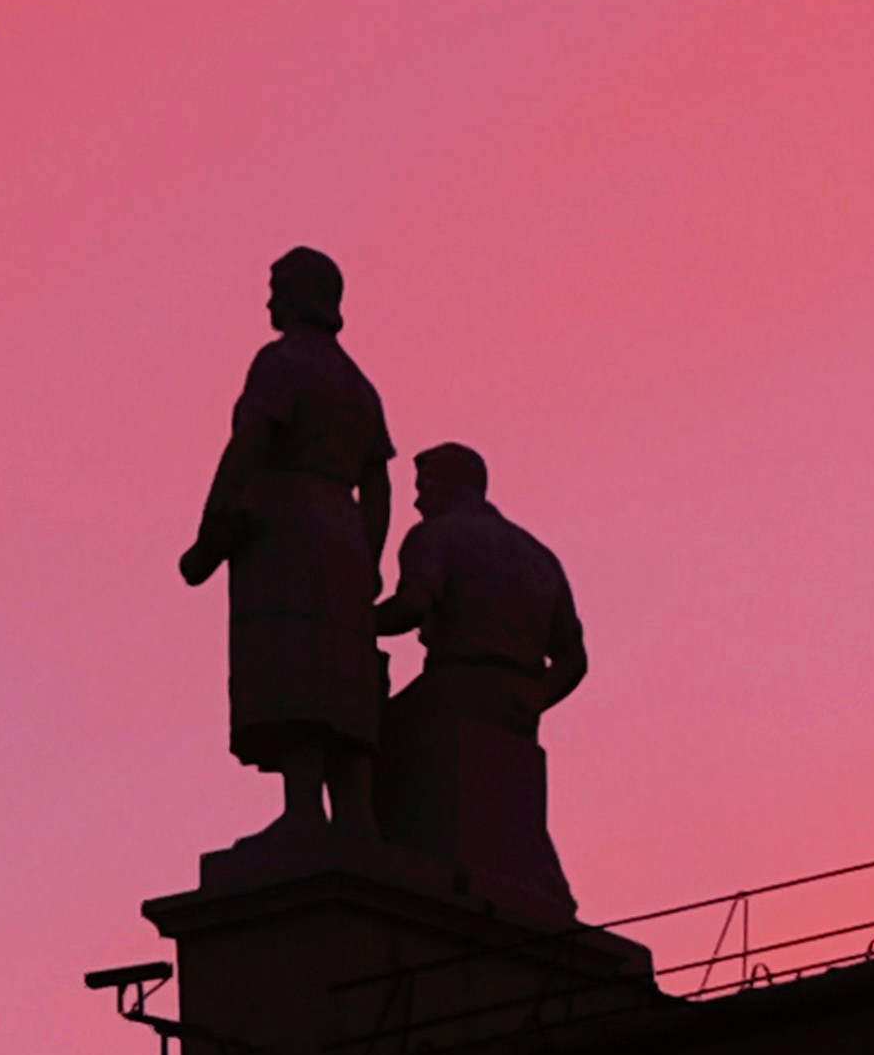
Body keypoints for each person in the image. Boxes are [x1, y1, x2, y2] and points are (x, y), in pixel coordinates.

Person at [179, 249, 393, 851]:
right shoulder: (358, 384)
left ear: (304, 293)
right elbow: (378, 482)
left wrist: (210, 526)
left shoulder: (280, 363)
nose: (270, 299)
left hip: (288, 526)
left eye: (278, 287)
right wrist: (370, 552)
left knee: (297, 660)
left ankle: (304, 811)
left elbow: (250, 443)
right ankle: (355, 815)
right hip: (344, 531)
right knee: (344, 669)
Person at [376, 440, 590, 923]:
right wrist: (535, 699)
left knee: (369, 738)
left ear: (450, 484)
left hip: (456, 687)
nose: (416, 500)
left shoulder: (434, 536)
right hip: (517, 703)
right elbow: (574, 659)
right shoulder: (539, 557)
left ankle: (389, 869)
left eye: (423, 485)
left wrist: (351, 619)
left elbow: (412, 607)